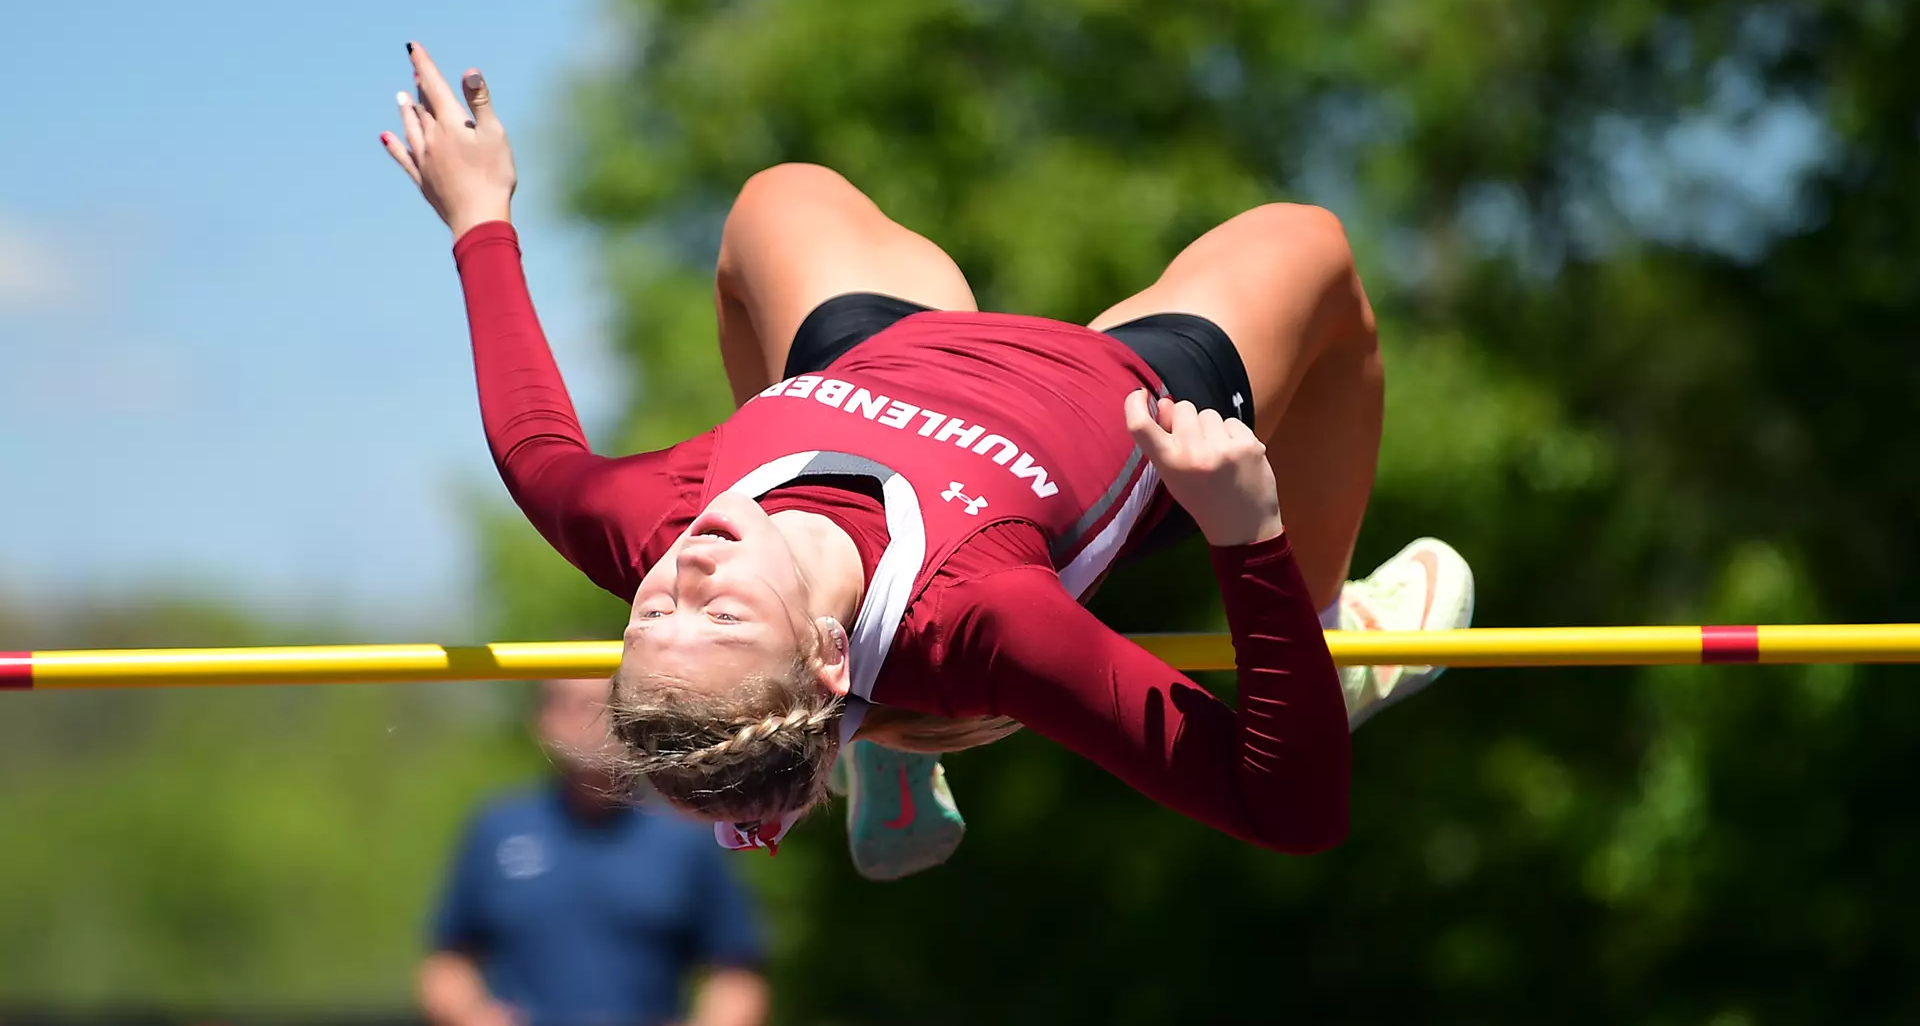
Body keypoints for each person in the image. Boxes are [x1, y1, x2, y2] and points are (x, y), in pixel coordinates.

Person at [381, 43, 1473, 871]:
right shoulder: (983, 618)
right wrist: (1250, 541)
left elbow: (533, 444)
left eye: (650, 617)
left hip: (880, 354)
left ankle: (879, 742)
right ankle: (1335, 647)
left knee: (774, 202)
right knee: (1315, 247)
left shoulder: (660, 524)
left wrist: (479, 212)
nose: (682, 580)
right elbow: (1292, 812)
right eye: (718, 617)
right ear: (820, 654)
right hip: (1140, 409)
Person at [420, 677, 771, 1026]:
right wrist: (473, 1016)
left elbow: (737, 977)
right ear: (542, 718)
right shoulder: (497, 830)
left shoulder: (685, 834)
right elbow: (447, 966)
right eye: (570, 703)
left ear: (634, 719)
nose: (587, 719)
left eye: (604, 705)